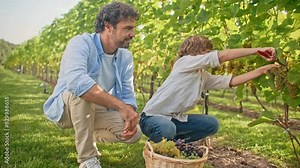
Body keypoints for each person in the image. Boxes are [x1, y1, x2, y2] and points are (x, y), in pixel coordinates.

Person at [43, 2, 141, 168]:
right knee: (84, 91)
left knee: (134, 134)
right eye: (127, 28)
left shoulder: (125, 56)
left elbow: (127, 93)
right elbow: (77, 82)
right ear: (108, 27)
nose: (132, 34)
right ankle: (87, 159)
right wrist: (120, 106)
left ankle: (86, 134)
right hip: (67, 108)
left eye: (133, 29)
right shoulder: (81, 43)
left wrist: (129, 110)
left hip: (95, 109)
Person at [139, 35, 279, 144]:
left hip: (174, 120)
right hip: (152, 119)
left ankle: (173, 145)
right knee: (167, 128)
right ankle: (155, 148)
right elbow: (222, 56)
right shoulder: (184, 62)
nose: (210, 55)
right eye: (206, 52)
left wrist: (262, 70)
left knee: (211, 124)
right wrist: (257, 50)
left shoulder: (202, 76)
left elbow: (232, 81)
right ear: (194, 52)